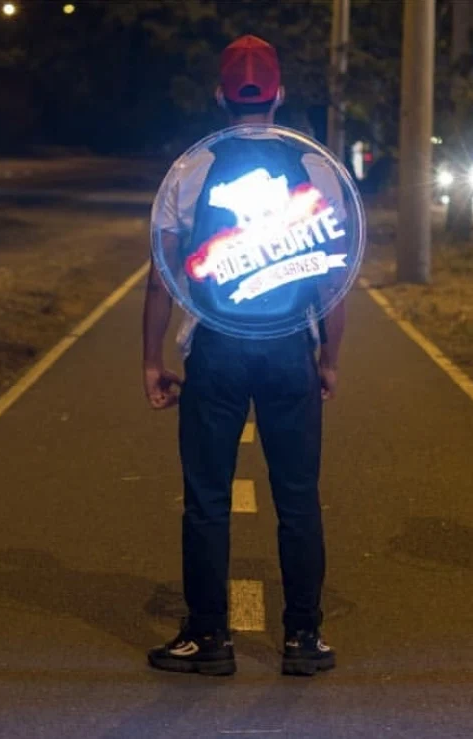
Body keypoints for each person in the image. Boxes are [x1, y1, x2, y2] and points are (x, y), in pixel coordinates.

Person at [142, 35, 346, 676]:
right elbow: (335, 279)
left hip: (217, 348)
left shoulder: (191, 169)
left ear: (220, 96)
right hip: (289, 347)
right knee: (297, 498)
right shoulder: (315, 169)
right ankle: (302, 638)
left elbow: (161, 277)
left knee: (207, 499)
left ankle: (210, 638)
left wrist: (151, 359)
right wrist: (330, 358)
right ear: (279, 95)